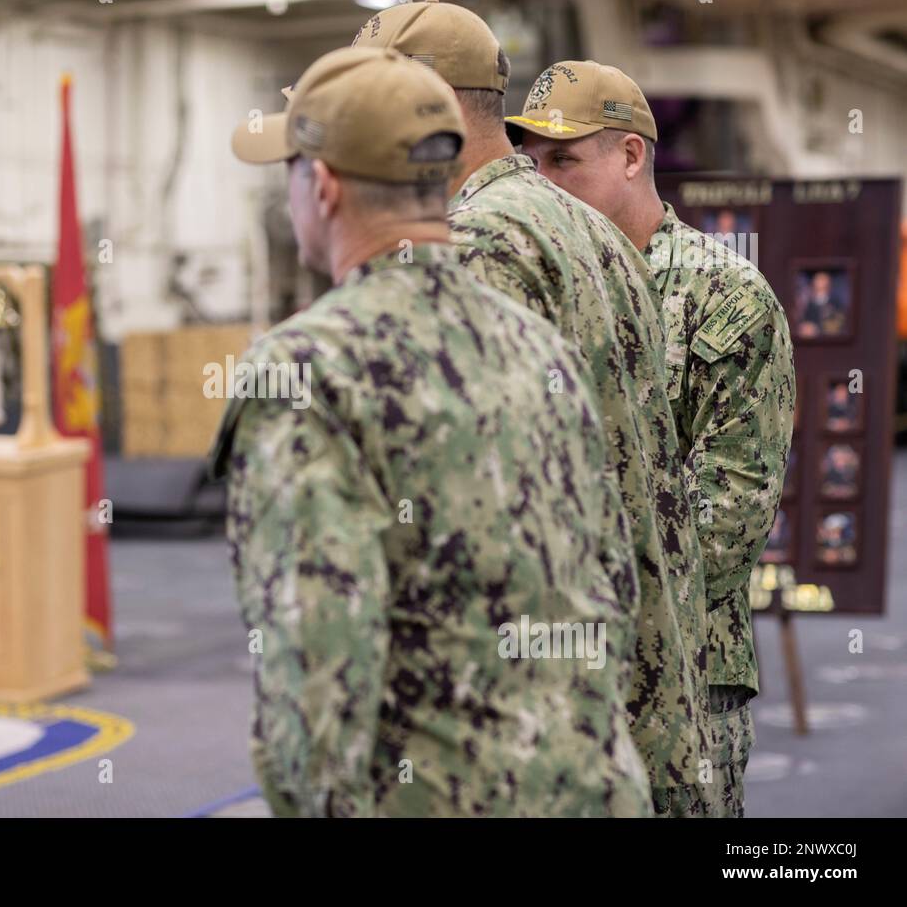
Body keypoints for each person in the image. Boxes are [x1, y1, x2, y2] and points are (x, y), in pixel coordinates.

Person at [212, 46, 651, 816]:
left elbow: (318, 672)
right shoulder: (536, 345)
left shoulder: (307, 371)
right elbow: (612, 587)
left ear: (321, 185)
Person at [352, 2, 709, 811]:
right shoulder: (590, 232)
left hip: (544, 728)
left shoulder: (476, 244)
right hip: (645, 685)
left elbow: (478, 517)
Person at [511, 59, 796, 816]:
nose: (541, 181)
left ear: (632, 156)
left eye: (564, 158)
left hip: (682, 670)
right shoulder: (539, 291)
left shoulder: (724, 295)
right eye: (530, 162)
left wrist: (598, 614)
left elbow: (730, 511)